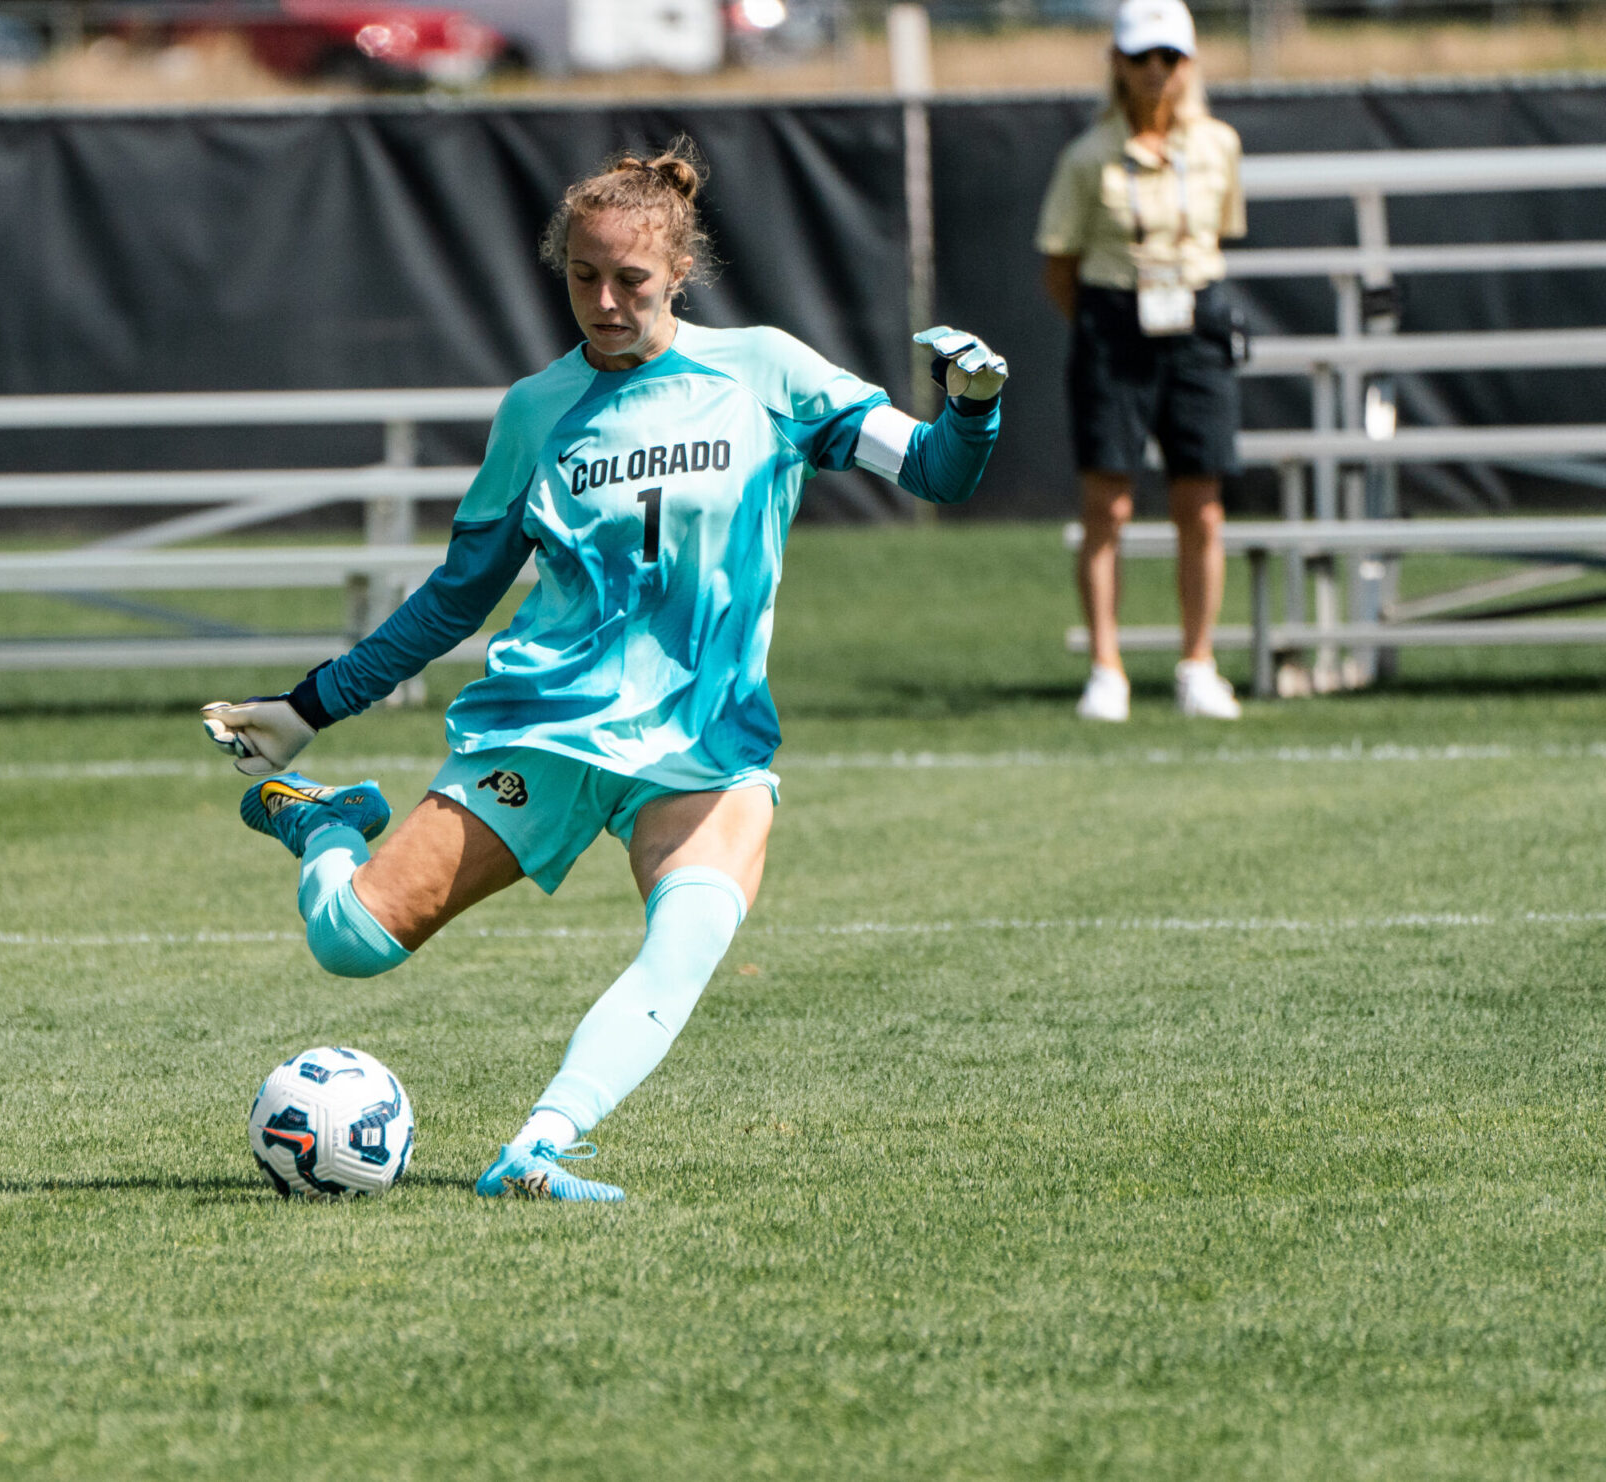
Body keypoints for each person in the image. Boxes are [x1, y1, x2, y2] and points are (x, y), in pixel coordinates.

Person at [202, 140, 1005, 1201]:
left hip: (706, 744)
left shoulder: (768, 373)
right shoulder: (535, 411)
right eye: (582, 276)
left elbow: (939, 474)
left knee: (687, 942)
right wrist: (308, 707)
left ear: (679, 271)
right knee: (350, 944)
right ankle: (328, 821)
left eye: (629, 278)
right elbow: (456, 596)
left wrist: (974, 404)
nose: (604, 301)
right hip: (545, 729)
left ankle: (537, 1146)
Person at [1036, 0, 1246, 722]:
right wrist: (1108, 324)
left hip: (1196, 319)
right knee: (1109, 504)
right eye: (1141, 58)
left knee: (1203, 505)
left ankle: (1197, 663)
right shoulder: (1087, 155)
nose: (1156, 72)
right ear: (1118, 65)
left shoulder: (1219, 144)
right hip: (1114, 321)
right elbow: (1059, 265)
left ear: (1189, 64)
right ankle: (1107, 668)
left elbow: (1222, 230)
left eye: (1170, 58)